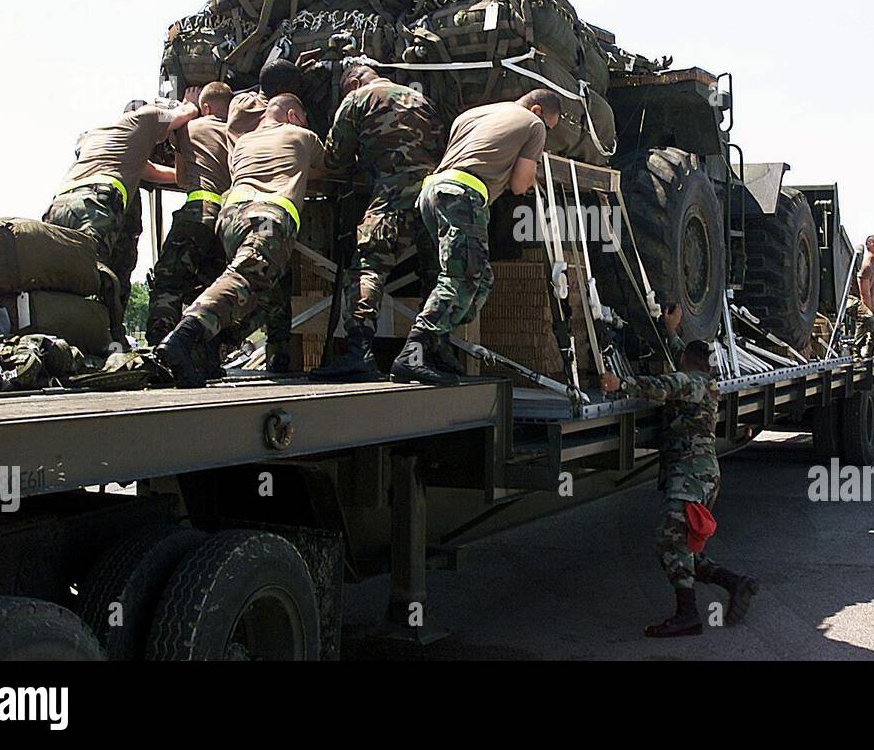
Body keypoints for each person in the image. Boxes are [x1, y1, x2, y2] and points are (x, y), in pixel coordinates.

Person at [600, 306, 759, 637]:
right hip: (697, 474)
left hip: (690, 475)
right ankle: (736, 583)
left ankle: (688, 615)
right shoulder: (703, 379)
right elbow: (681, 360)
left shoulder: (692, 383)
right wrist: (671, 332)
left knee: (670, 543)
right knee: (682, 544)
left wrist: (620, 384)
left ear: (690, 362)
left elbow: (662, 385)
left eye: (682, 357)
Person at [390, 89, 561, 385]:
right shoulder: (532, 124)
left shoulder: (470, 115)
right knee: (466, 279)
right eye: (549, 126)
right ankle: (413, 353)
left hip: (431, 192)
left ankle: (437, 347)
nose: (545, 133)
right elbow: (521, 185)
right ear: (537, 110)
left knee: (460, 279)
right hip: (464, 197)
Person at [155, 94, 325, 388]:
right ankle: (184, 337)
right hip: (269, 216)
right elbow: (330, 167)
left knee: (266, 288)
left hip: (231, 216)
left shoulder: (243, 143)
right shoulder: (301, 135)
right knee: (245, 280)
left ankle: (265, 354)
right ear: (293, 116)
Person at [310, 65, 448, 382]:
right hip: (431, 197)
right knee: (433, 271)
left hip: (392, 195)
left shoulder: (358, 98)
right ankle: (432, 351)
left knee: (368, 265)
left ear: (356, 82)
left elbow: (335, 159)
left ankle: (358, 353)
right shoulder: (421, 100)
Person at [45, 96, 198, 336]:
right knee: (94, 277)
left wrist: (182, 173)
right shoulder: (146, 118)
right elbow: (187, 112)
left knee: (63, 275)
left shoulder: (97, 135)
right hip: (95, 204)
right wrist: (190, 99)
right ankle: (96, 341)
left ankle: (68, 339)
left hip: (60, 204)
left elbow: (157, 173)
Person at [145, 81, 234, 360]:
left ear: (205, 106)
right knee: (211, 290)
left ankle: (159, 351)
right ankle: (208, 357)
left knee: (169, 282)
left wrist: (187, 108)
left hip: (199, 209)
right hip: (227, 219)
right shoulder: (239, 134)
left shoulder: (190, 127)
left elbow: (183, 178)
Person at [227, 58, 304, 371]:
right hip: (264, 206)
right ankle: (194, 336)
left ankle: (279, 357)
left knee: (273, 288)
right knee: (247, 281)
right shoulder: (280, 124)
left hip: (235, 204)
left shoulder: (240, 106)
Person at [846, 234, 874, 357]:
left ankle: (870, 349)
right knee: (867, 316)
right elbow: (865, 295)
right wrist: (871, 317)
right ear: (872, 245)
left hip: (863, 300)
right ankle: (855, 349)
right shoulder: (867, 266)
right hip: (849, 300)